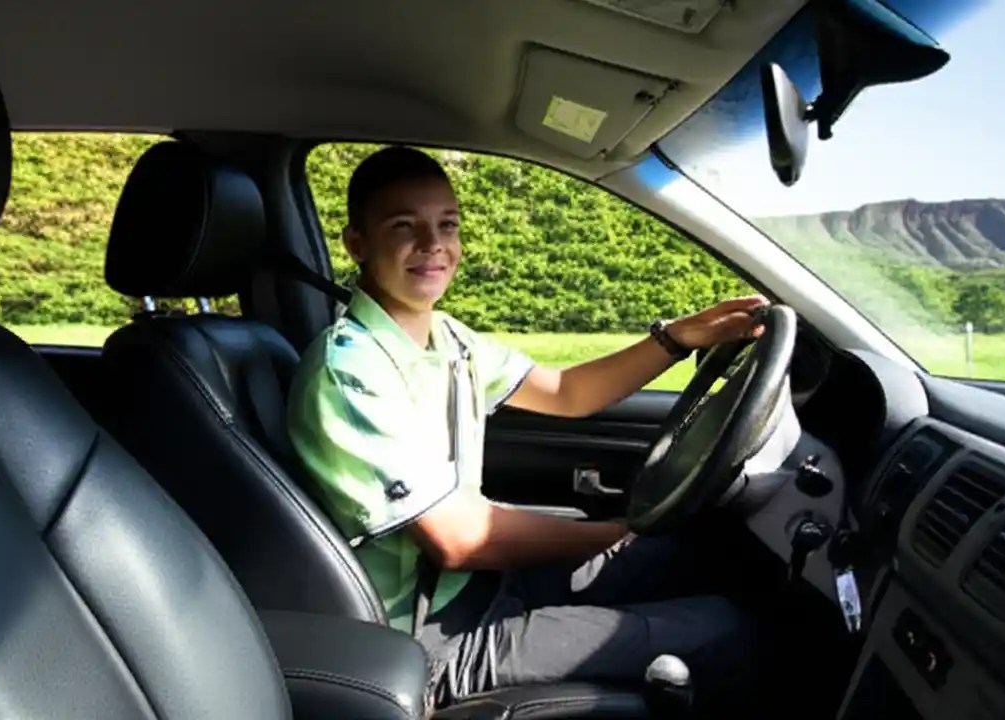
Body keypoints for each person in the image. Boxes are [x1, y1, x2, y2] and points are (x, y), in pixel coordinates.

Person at [288, 146, 767, 710]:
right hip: (424, 639)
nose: (433, 244)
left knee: (689, 557)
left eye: (447, 225)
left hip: (480, 590)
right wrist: (613, 532)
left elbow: (567, 393)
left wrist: (675, 340)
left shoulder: (447, 338)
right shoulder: (349, 373)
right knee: (721, 628)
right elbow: (460, 540)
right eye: (404, 226)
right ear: (357, 244)